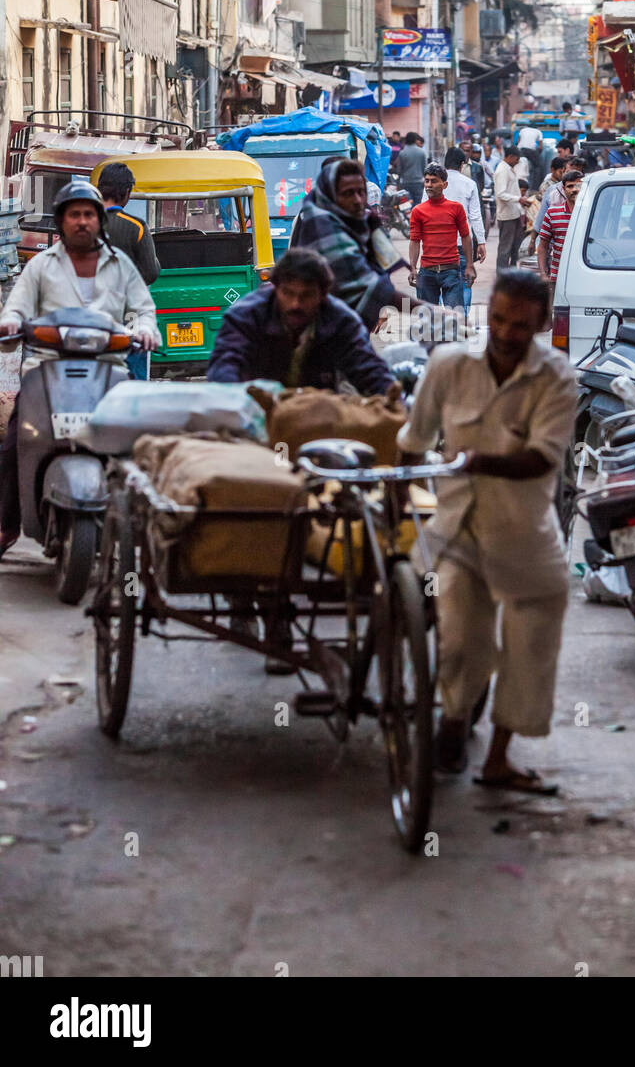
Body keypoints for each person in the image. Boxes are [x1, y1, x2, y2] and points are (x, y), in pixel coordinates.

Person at [396, 269, 578, 790]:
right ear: (488, 313)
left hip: (524, 533)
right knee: (460, 643)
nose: (505, 332)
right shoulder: (449, 365)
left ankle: (498, 757)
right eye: (498, 319)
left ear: (541, 323)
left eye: (520, 325)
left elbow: (541, 460)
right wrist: (395, 507)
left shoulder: (558, 379)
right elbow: (413, 439)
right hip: (454, 531)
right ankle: (453, 722)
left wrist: (476, 461)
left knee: (530, 648)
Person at [0, 181, 160, 559]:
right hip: (47, 367)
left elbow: (143, 309)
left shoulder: (120, 265)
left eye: (89, 214)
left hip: (109, 368)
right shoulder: (40, 266)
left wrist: (144, 330)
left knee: (144, 443)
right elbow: (17, 309)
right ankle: (6, 525)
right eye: (75, 214)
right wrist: (9, 324)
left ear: (99, 220)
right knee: (11, 446)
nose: (83, 222)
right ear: (62, 221)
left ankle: (142, 526)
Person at [207, 247, 398, 394]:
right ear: (275, 288)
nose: (295, 304)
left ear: (323, 294)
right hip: (255, 410)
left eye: (306, 295)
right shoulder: (245, 315)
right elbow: (224, 364)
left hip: (317, 414)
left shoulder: (342, 320)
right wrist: (233, 396)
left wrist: (393, 398)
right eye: (287, 293)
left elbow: (368, 368)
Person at [290, 158, 408, 331]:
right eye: (347, 193)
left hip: (359, 314)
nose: (358, 200)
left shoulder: (367, 220)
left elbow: (381, 265)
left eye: (361, 192)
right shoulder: (310, 220)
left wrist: (382, 307)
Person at [97, 162, 161, 380]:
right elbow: (151, 272)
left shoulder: (81, 225)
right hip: (129, 314)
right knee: (134, 369)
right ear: (126, 193)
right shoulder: (136, 226)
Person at [408, 163, 475, 309]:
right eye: (427, 181)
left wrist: (469, 265)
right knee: (428, 322)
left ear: (444, 184)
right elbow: (414, 240)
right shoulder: (418, 211)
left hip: (451, 271)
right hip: (427, 273)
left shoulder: (456, 208)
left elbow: (465, 237)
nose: (429, 185)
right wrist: (413, 267)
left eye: (434, 181)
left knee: (454, 319)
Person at [443, 147, 486, 311]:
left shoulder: (434, 183)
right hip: (462, 243)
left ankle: (442, 321)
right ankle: (462, 321)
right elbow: (475, 215)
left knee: (442, 284)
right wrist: (481, 242)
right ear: (462, 164)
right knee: (465, 283)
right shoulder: (469, 184)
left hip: (438, 245)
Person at [537, 169, 583, 284]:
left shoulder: (592, 213)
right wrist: (543, 273)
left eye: (578, 186)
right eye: (570, 186)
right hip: (557, 278)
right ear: (563, 189)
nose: (574, 190)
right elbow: (543, 246)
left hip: (584, 278)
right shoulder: (552, 213)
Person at [494, 146, 531, 269]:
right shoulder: (502, 170)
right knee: (505, 248)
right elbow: (500, 193)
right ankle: (502, 275)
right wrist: (518, 199)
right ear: (510, 157)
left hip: (514, 213)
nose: (517, 162)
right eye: (517, 159)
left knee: (514, 246)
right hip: (506, 216)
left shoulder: (508, 169)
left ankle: (511, 272)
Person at [527, 156, 568, 257]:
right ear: (553, 170)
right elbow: (542, 215)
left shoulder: (561, 185)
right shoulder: (549, 187)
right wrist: (533, 240)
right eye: (561, 172)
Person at [395, 132, 426, 207]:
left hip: (406, 183)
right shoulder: (422, 152)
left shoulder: (402, 153)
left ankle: (410, 218)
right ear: (415, 140)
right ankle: (417, 218)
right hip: (418, 182)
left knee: (407, 205)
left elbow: (399, 170)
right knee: (418, 203)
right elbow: (424, 169)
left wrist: (398, 183)